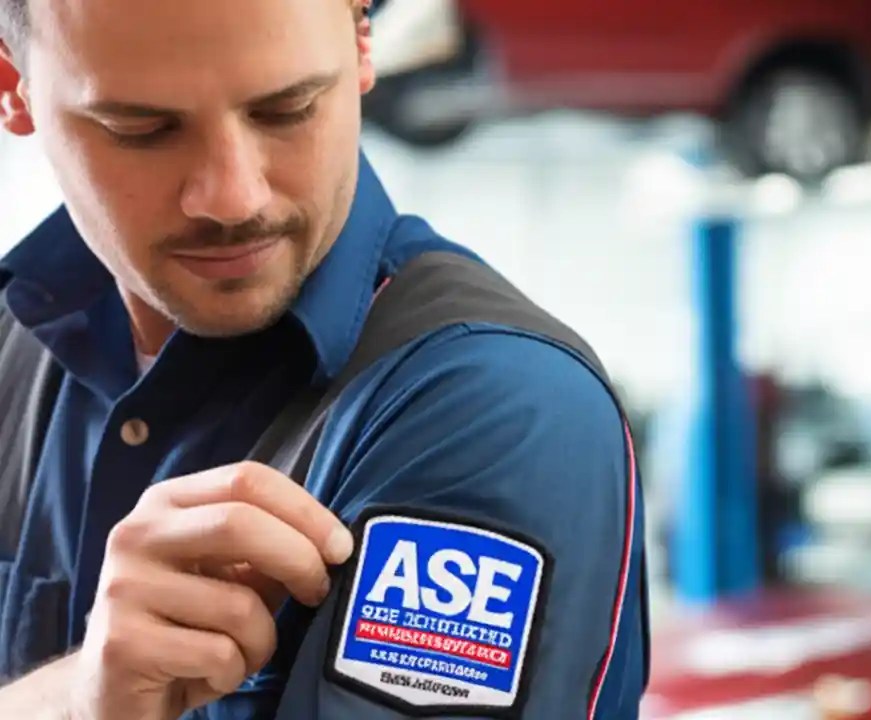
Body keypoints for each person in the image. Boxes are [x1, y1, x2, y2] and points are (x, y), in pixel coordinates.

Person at [0, 0, 647, 718]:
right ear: (12, 87)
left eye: (288, 109)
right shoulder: (13, 344)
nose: (232, 197)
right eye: (143, 130)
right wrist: (78, 698)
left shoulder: (503, 410)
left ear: (361, 42)